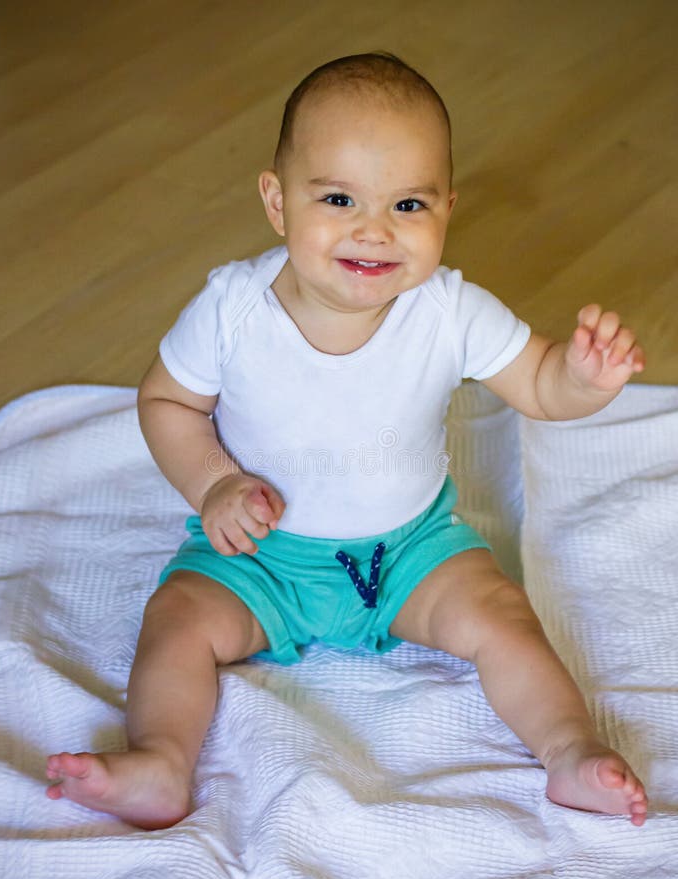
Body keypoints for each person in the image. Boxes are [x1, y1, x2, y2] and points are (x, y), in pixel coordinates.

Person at [45, 52, 648, 829]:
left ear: (447, 209)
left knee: (502, 614)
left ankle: (569, 751)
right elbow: (166, 401)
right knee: (177, 621)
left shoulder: (447, 310)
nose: (373, 230)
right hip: (259, 557)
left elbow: (536, 383)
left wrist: (579, 376)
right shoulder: (233, 309)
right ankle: (160, 759)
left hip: (411, 554)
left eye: (407, 205)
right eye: (337, 198)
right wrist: (214, 485)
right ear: (276, 201)